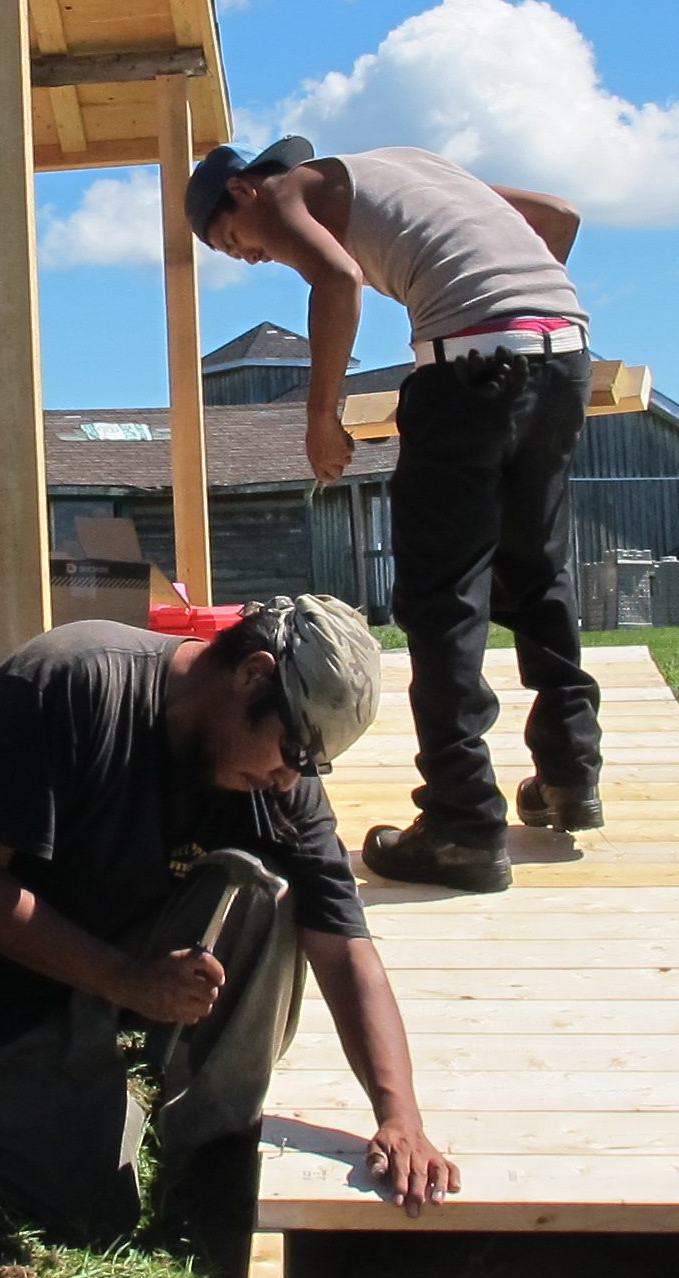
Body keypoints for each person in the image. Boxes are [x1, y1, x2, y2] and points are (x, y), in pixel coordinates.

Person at [0, 594, 459, 1245]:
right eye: (289, 752)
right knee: (88, 1212)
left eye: (309, 765)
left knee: (280, 891)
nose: (289, 780)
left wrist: (398, 1113)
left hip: (98, 949)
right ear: (254, 674)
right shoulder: (74, 684)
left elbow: (344, 942)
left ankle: (211, 1143)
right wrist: (125, 980)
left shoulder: (273, 773)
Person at [188, 136, 591, 894]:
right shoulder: (408, 167)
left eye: (231, 244)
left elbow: (336, 279)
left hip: (471, 366)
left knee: (443, 599)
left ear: (242, 191)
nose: (250, 257)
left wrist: (321, 414)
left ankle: (462, 824)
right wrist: (521, 317)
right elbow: (558, 217)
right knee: (536, 569)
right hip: (562, 349)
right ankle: (570, 772)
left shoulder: (280, 196)